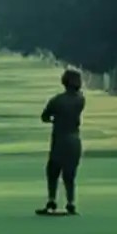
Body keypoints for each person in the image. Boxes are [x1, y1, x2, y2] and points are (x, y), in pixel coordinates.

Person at [36, 69, 85, 216]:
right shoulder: (80, 100)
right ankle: (71, 202)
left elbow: (45, 116)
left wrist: (53, 119)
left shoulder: (57, 100)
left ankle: (52, 200)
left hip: (60, 139)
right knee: (70, 174)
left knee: (53, 170)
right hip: (75, 139)